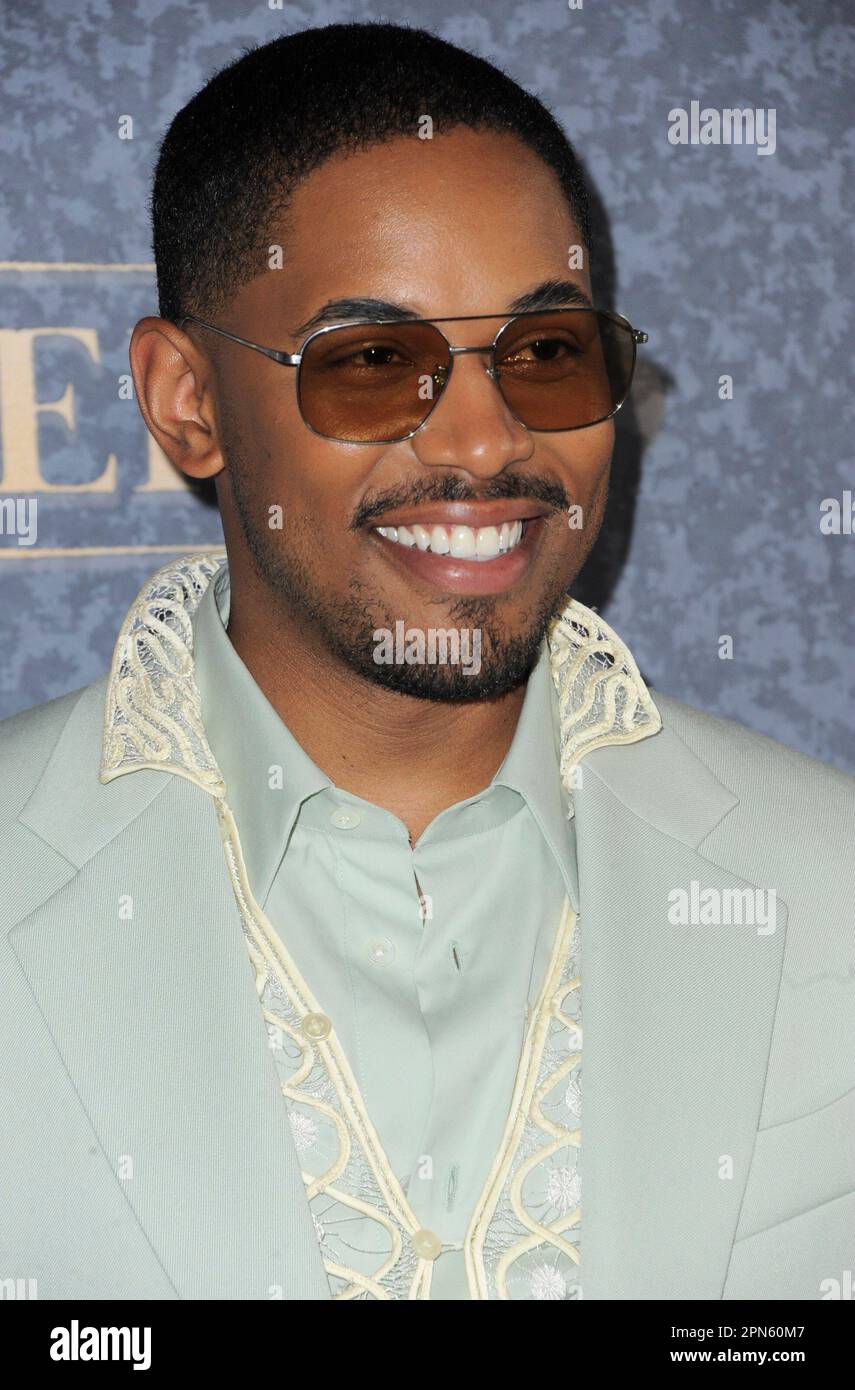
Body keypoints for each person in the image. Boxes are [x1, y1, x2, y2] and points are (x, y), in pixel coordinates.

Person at [1, 21, 852, 1302]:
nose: (487, 438)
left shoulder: (826, 882)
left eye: (547, 352)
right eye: (373, 364)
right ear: (186, 401)